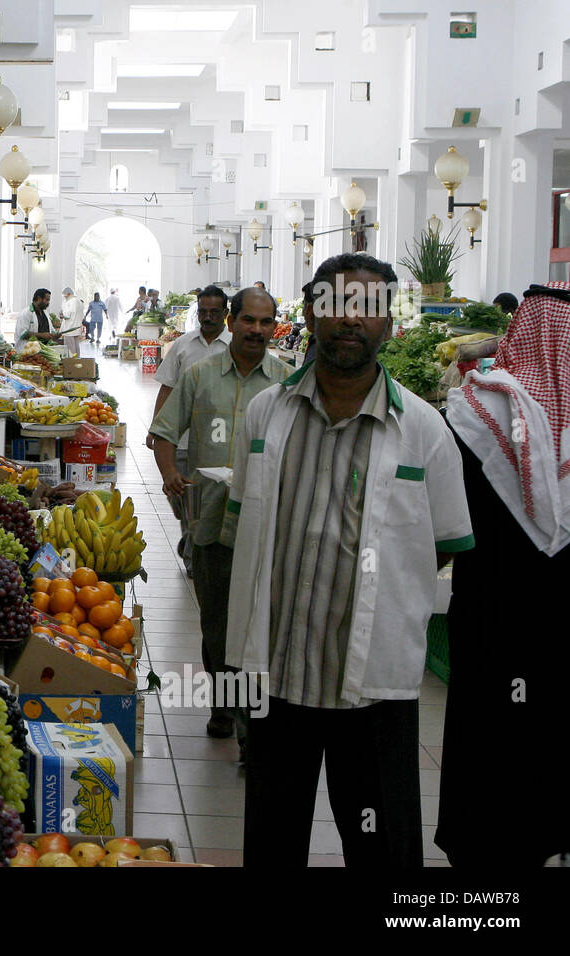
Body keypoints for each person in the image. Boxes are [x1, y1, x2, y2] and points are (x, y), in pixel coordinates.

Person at [221, 252, 474, 867]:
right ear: (311, 314)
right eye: (335, 304)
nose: (350, 321)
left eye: (368, 307)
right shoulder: (264, 415)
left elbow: (440, 544)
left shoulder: (424, 430)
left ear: (389, 323)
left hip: (373, 692)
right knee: (273, 842)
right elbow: (242, 531)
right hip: (276, 678)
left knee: (381, 847)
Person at [436, 282, 570, 867]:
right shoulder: (481, 414)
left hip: (490, 611)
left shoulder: (471, 411)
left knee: (489, 731)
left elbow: (441, 527)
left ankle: (482, 844)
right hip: (544, 617)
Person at [150, 287, 290, 752]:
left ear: (274, 327)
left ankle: (252, 727)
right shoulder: (200, 375)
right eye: (248, 320)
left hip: (269, 528)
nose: (256, 330)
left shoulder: (288, 385)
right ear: (231, 323)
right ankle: (223, 706)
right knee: (218, 627)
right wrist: (171, 475)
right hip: (210, 523)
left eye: (265, 322)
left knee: (258, 629)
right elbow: (164, 433)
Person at [147, 286, 232, 569]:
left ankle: (196, 553)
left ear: (225, 314)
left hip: (222, 443)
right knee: (184, 498)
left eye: (214, 312)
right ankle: (190, 539)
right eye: (203, 311)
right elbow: (167, 388)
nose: (207, 318)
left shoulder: (234, 347)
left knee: (212, 502)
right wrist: (157, 427)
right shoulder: (182, 345)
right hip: (182, 441)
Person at [59, 287, 85, 356]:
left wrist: (62, 315)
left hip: (69, 329)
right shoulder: (79, 302)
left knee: (70, 349)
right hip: (76, 329)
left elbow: (67, 316)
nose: (64, 297)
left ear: (68, 294)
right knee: (76, 347)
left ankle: (71, 363)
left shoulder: (70, 302)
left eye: (65, 295)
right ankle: (77, 361)